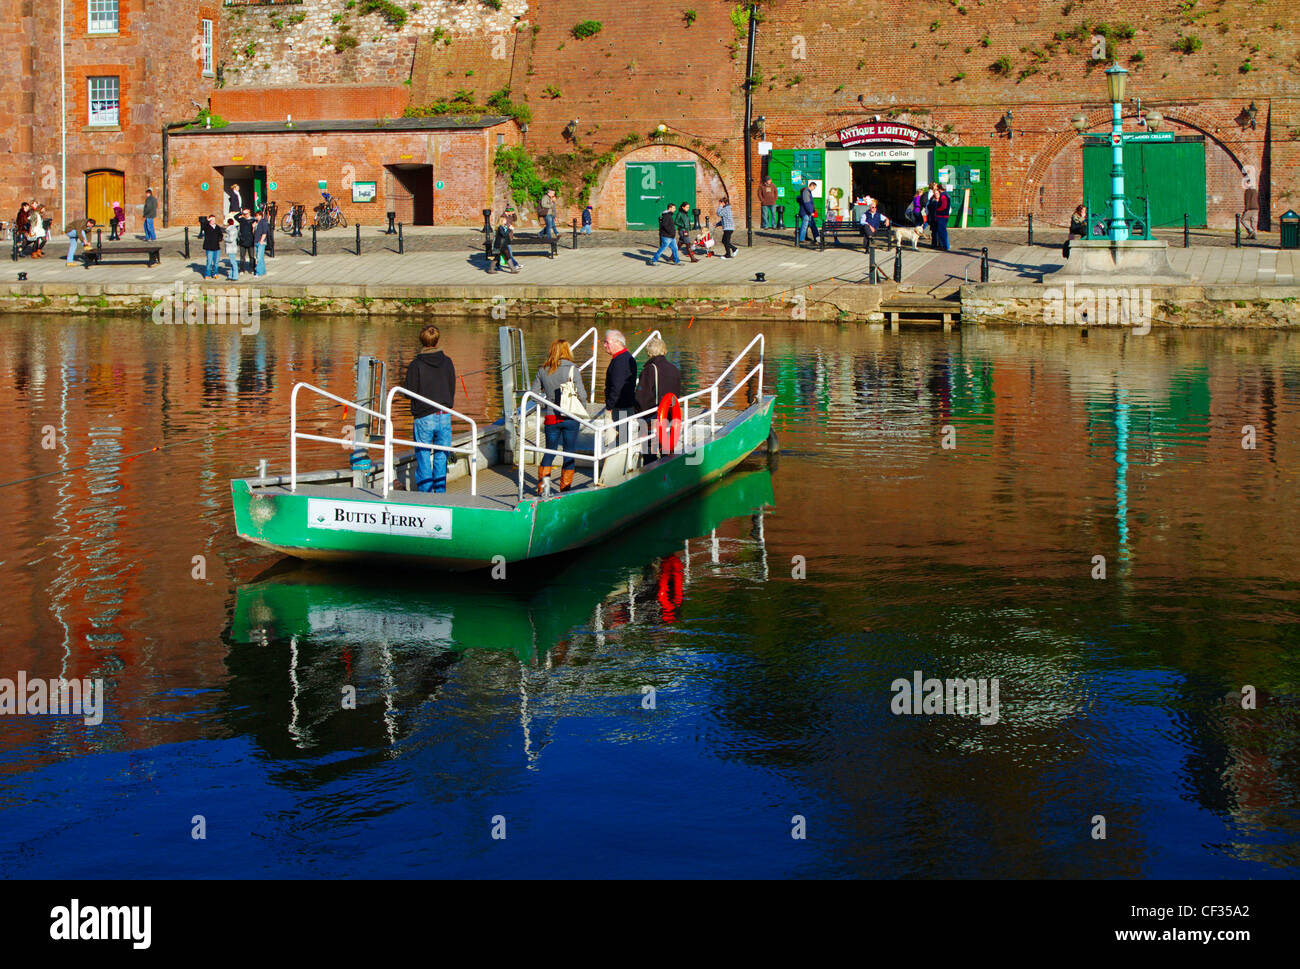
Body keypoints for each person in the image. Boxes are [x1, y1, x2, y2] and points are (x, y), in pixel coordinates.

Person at [528, 338, 588, 494]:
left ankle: (543, 489)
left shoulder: (543, 370)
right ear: (567, 351)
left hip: (551, 417)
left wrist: (547, 404)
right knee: (568, 453)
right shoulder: (573, 369)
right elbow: (582, 394)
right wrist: (582, 408)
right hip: (570, 417)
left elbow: (533, 395)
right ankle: (565, 490)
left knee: (550, 451)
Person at [403, 325, 456, 493]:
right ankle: (440, 492)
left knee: (424, 455)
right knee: (441, 455)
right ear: (437, 340)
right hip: (444, 413)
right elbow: (451, 386)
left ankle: (425, 494)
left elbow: (408, 391)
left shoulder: (415, 364)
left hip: (424, 416)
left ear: (421, 341)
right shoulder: (447, 361)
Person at [635, 335, 683, 464]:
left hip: (653, 416)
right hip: (670, 414)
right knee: (667, 449)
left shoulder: (649, 370)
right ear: (664, 351)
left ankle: (649, 475)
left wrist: (638, 413)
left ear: (649, 352)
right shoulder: (674, 369)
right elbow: (676, 394)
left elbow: (641, 397)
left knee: (649, 451)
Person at [603, 329, 638, 432]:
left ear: (617, 343)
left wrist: (609, 406)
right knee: (622, 438)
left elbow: (617, 386)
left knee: (619, 440)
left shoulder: (620, 361)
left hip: (620, 408)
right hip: (624, 405)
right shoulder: (625, 357)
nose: (604, 345)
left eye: (607, 342)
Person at [926, 183, 950, 251]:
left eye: (938, 192)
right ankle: (939, 245)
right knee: (937, 232)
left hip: (941, 216)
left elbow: (944, 206)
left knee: (942, 232)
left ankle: (944, 246)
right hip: (937, 217)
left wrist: (938, 209)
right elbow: (928, 209)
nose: (937, 193)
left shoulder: (943, 196)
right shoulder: (932, 200)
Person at [237, 208, 255, 273]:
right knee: (242, 256)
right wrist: (241, 213)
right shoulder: (242, 220)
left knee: (252, 256)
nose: (245, 215)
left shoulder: (253, 220)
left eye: (246, 213)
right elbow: (235, 217)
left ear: (249, 213)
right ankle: (242, 269)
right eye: (244, 214)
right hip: (242, 241)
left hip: (250, 240)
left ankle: (252, 269)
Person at [252, 209, 270, 277]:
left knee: (259, 258)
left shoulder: (263, 222)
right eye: (256, 216)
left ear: (261, 216)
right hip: (256, 241)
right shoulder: (256, 223)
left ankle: (258, 272)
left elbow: (264, 232)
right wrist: (253, 227)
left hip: (261, 242)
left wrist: (261, 240)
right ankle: (263, 271)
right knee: (260, 257)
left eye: (258, 216)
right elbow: (254, 233)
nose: (257, 217)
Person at [223, 216, 240, 281]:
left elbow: (231, 239)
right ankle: (231, 275)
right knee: (232, 262)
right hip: (232, 247)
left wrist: (224, 238)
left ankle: (235, 276)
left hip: (231, 247)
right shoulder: (233, 228)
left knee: (233, 262)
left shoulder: (231, 229)